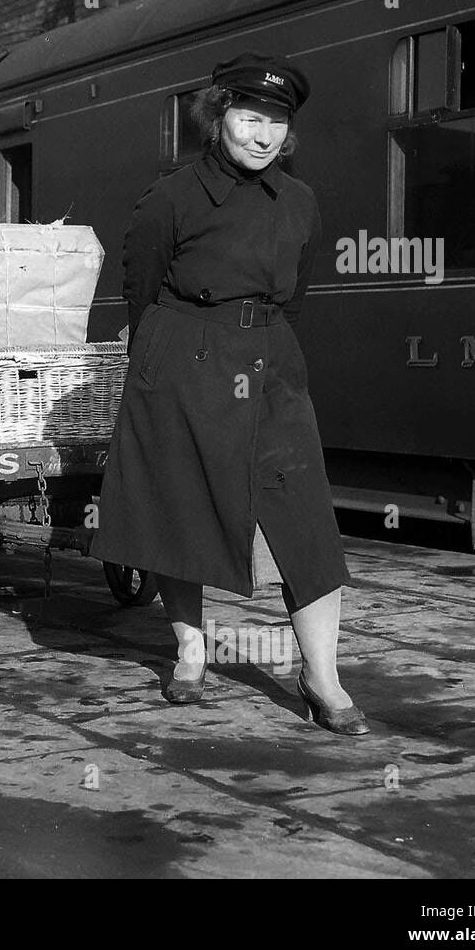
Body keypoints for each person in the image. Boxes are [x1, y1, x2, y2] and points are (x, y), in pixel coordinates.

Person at [91, 52, 369, 735]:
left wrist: (262, 347)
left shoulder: (300, 202)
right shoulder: (171, 197)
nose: (263, 134)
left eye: (276, 121)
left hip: (273, 368)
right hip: (184, 364)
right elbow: (143, 289)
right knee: (182, 506)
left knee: (304, 522)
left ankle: (322, 676)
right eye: (250, 117)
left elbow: (294, 296)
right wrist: (164, 369)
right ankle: (190, 651)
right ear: (218, 118)